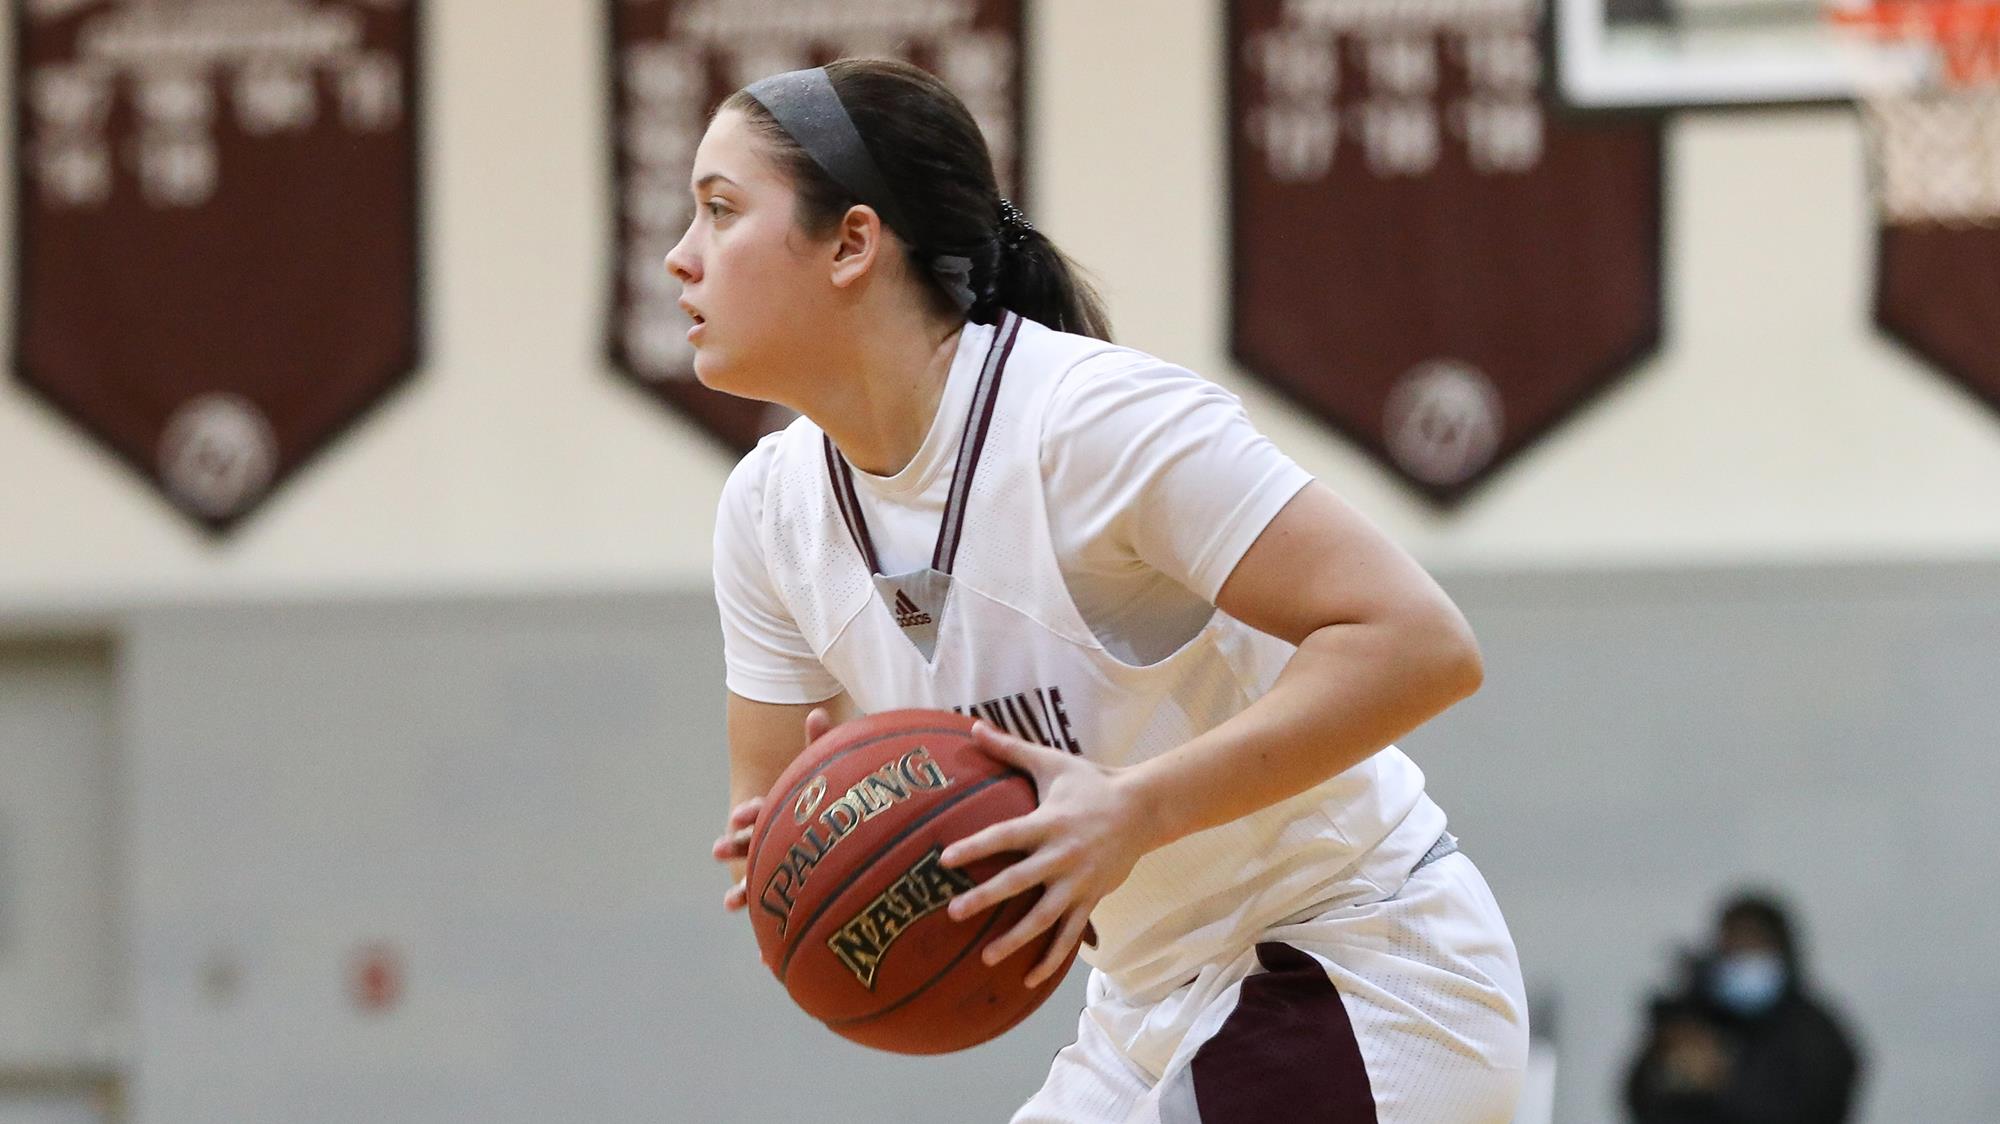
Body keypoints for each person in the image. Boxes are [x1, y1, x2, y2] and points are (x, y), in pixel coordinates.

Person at [692, 59, 1528, 1123]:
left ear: (852, 242)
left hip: (1347, 958)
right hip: (1142, 1001)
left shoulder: (1084, 423)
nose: (679, 258)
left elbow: (1419, 642)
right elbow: (773, 811)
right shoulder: (768, 512)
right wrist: (803, 845)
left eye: (720, 212)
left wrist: (1134, 809)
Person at [1625, 892, 1863, 1124]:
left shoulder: (1814, 1034)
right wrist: (1666, 1072)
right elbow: (1639, 1100)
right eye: (1734, 947)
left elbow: (1816, 1108)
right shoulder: (1691, 1019)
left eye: (1754, 945)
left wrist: (1721, 1081)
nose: (1743, 958)